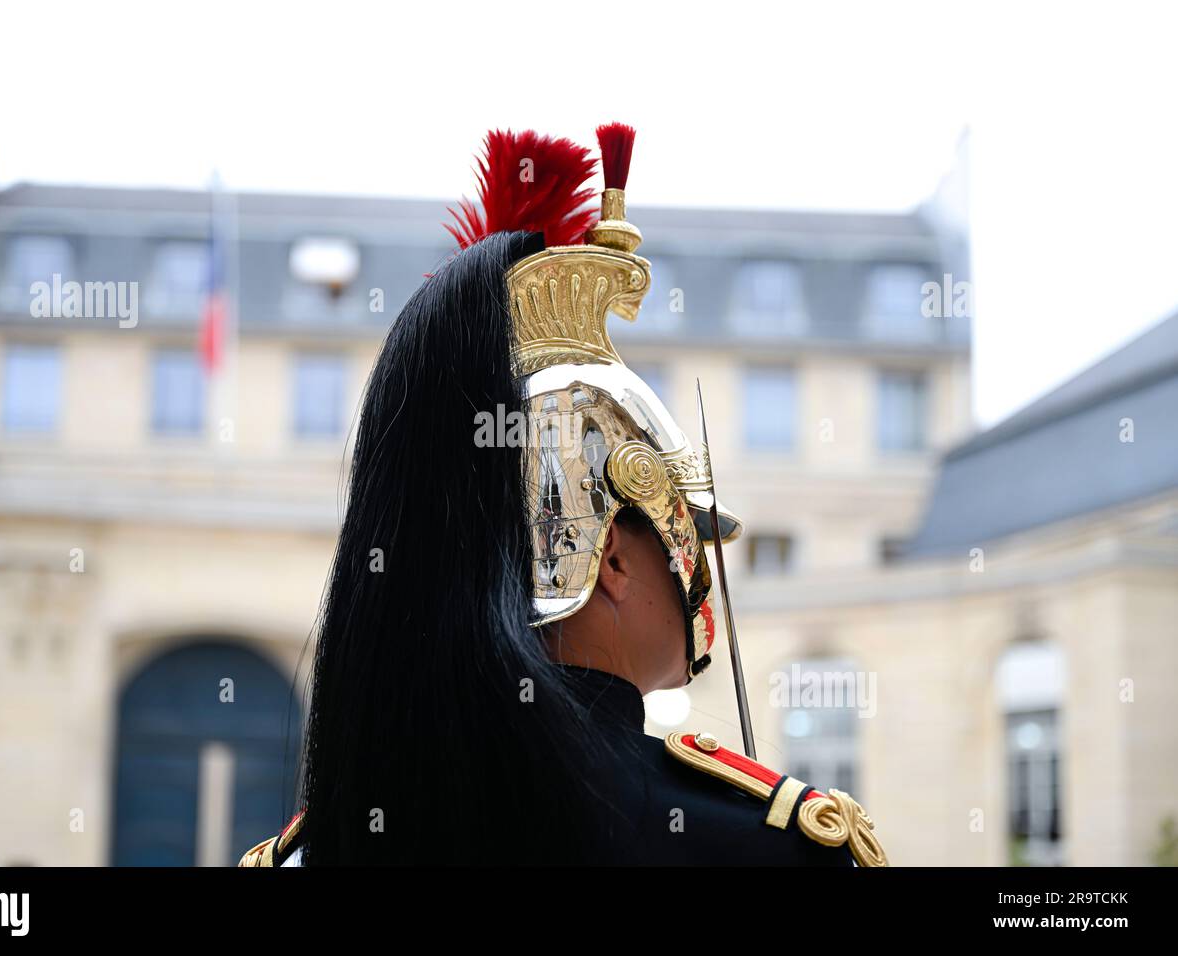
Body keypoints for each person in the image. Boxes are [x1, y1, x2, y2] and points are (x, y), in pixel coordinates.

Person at [240, 124, 887, 867]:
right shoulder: (768, 849)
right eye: (682, 524)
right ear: (608, 554)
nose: (701, 557)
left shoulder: (302, 856)